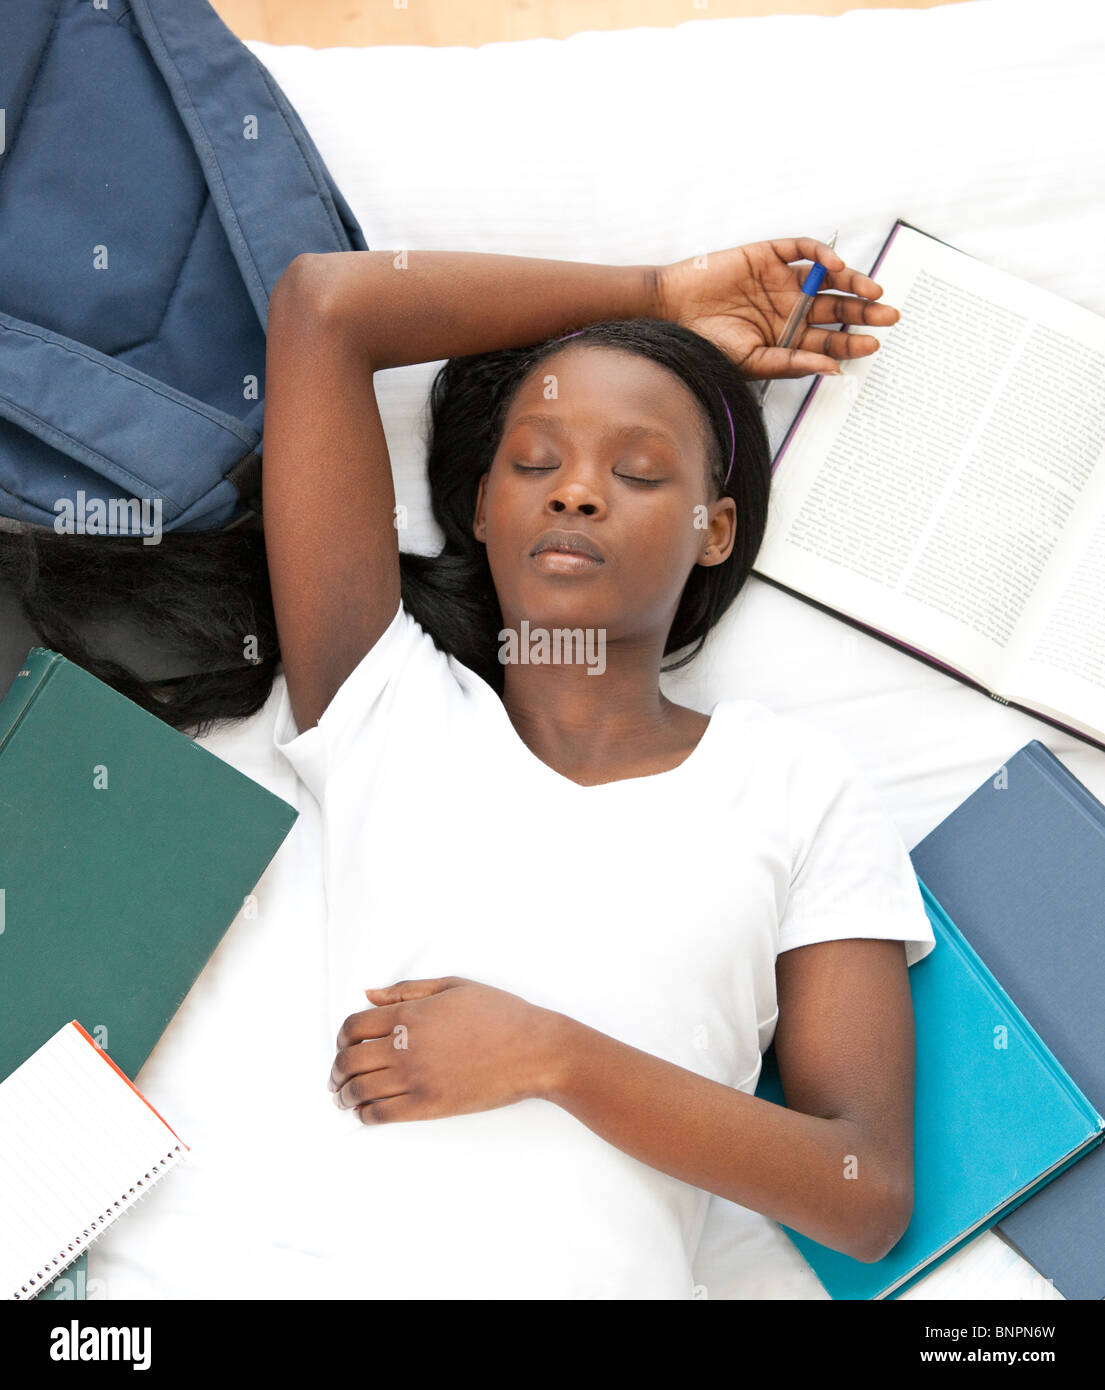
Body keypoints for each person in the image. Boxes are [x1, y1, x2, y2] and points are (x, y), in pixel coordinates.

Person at [258, 239, 936, 1299]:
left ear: (715, 531)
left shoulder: (795, 788)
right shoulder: (387, 711)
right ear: (483, 509)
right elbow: (323, 306)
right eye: (535, 462)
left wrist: (550, 1056)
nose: (576, 492)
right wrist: (656, 294)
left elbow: (863, 1193)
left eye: (636, 471)